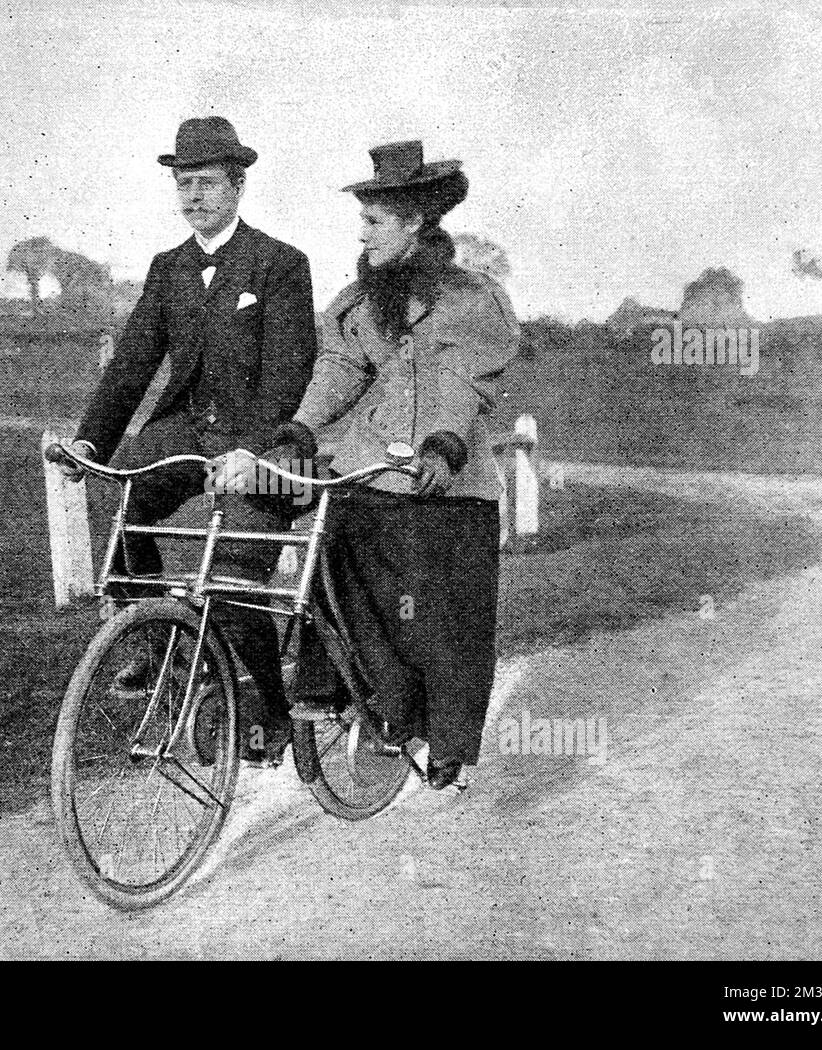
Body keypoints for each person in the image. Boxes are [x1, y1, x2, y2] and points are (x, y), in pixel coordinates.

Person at [219, 140, 520, 791]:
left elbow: (461, 377)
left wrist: (444, 444)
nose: (362, 232)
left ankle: (447, 741)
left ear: (414, 221)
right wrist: (301, 426)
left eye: (374, 220)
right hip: (372, 466)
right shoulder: (360, 301)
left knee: (445, 618)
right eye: (361, 219)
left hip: (450, 480)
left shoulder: (471, 300)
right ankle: (361, 702)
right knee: (338, 561)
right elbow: (341, 367)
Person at [49, 116, 318, 763]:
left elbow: (289, 374)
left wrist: (254, 449)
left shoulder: (280, 265)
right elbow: (133, 363)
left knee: (233, 579)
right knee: (131, 512)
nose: (193, 196)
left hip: (266, 446)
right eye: (183, 185)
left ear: (239, 185)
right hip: (188, 433)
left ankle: (269, 708)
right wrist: (92, 443)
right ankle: (158, 646)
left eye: (205, 183)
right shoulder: (169, 268)